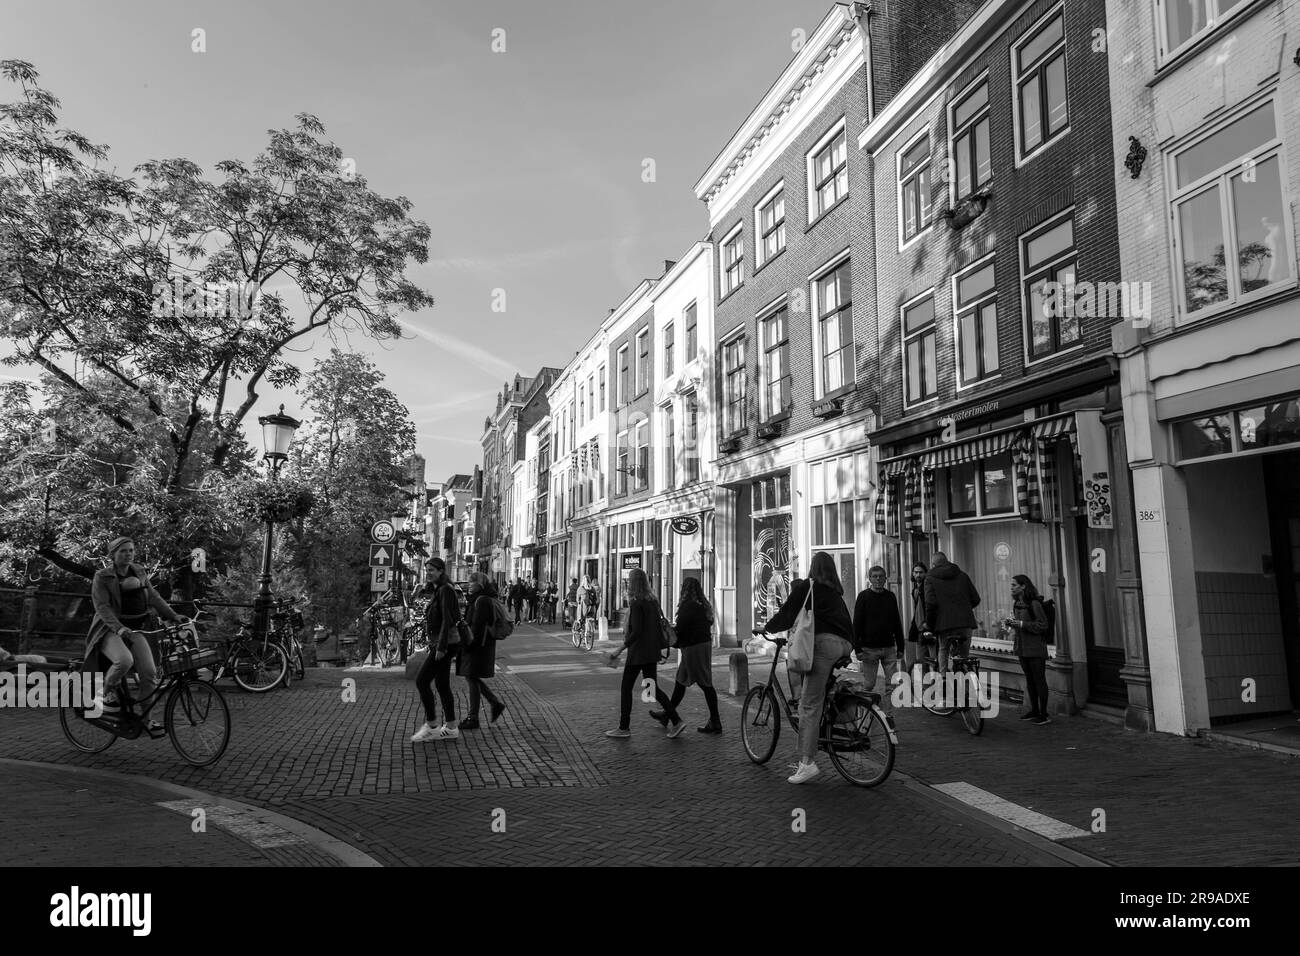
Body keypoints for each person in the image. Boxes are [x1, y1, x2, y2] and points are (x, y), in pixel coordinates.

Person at [762, 551, 855, 784]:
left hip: (824, 644)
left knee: (809, 704)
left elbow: (788, 612)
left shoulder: (809, 586)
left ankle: (807, 763)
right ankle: (827, 725)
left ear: (813, 567)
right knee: (821, 694)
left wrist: (768, 628)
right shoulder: (836, 591)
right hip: (844, 645)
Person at [86, 536, 186, 728]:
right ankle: (105, 693)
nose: (128, 554)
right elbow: (103, 607)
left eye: (131, 550)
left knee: (150, 674)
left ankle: (146, 720)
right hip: (110, 630)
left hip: (136, 629)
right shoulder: (102, 576)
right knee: (124, 660)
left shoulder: (139, 571)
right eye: (123, 551)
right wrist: (120, 628)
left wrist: (173, 615)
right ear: (113, 555)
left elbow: (154, 598)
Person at [605, 568, 684, 738]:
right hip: (651, 651)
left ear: (633, 583)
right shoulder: (652, 601)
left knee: (626, 688)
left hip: (638, 653)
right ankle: (677, 721)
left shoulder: (637, 603)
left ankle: (624, 727)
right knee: (652, 688)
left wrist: (620, 648)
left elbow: (637, 631)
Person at [650, 577, 722, 734]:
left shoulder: (687, 607)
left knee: (705, 684)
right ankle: (667, 715)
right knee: (680, 682)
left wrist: (669, 631)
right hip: (702, 645)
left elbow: (681, 629)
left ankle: (716, 721)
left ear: (684, 590)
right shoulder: (703, 605)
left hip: (693, 648)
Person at [411, 558, 462, 743]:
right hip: (444, 643)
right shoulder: (440, 589)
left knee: (422, 681)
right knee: (441, 684)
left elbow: (447, 620)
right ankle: (450, 726)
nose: (428, 573)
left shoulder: (445, 590)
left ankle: (432, 726)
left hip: (445, 644)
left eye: (432, 570)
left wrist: (440, 647)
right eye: (427, 570)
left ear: (441, 571)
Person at [852, 566, 904, 717]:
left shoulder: (890, 597)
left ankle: (888, 716)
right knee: (869, 684)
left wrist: (900, 646)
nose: (878, 579)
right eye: (875, 576)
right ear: (870, 579)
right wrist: (857, 648)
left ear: (886, 578)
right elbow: (857, 624)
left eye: (881, 576)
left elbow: (896, 622)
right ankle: (863, 715)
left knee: (891, 685)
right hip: (869, 649)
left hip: (889, 647)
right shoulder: (863, 596)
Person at [458, 572, 507, 729]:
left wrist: (469, 644)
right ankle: (493, 703)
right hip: (480, 644)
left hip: (478, 645)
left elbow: (478, 626)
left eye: (472, 582)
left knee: (471, 677)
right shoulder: (479, 599)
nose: (468, 584)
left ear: (480, 584)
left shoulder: (482, 600)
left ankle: (474, 717)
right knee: (472, 677)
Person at [923, 552, 981, 673]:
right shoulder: (962, 575)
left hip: (945, 624)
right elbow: (976, 599)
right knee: (963, 656)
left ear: (933, 565)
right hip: (965, 622)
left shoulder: (930, 579)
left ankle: (943, 679)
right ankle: (965, 683)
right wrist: (963, 609)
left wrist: (930, 625)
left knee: (943, 649)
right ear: (947, 561)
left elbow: (930, 605)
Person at [1005, 574, 1051, 724]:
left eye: (1014, 585)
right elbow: (1020, 624)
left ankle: (1044, 714)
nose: (1011, 588)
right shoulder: (1017, 603)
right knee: (1030, 680)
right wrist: (1012, 624)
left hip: (1036, 648)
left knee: (1039, 680)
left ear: (1023, 586)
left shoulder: (1034, 604)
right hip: (1022, 647)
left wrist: (1022, 624)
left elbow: (1043, 625)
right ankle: (1034, 710)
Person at [903, 562, 933, 675]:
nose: (918, 575)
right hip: (920, 629)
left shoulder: (927, 587)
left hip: (928, 628)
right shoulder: (916, 589)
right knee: (920, 659)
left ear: (926, 573)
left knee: (932, 659)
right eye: (916, 572)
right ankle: (923, 685)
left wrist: (927, 623)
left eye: (921, 572)